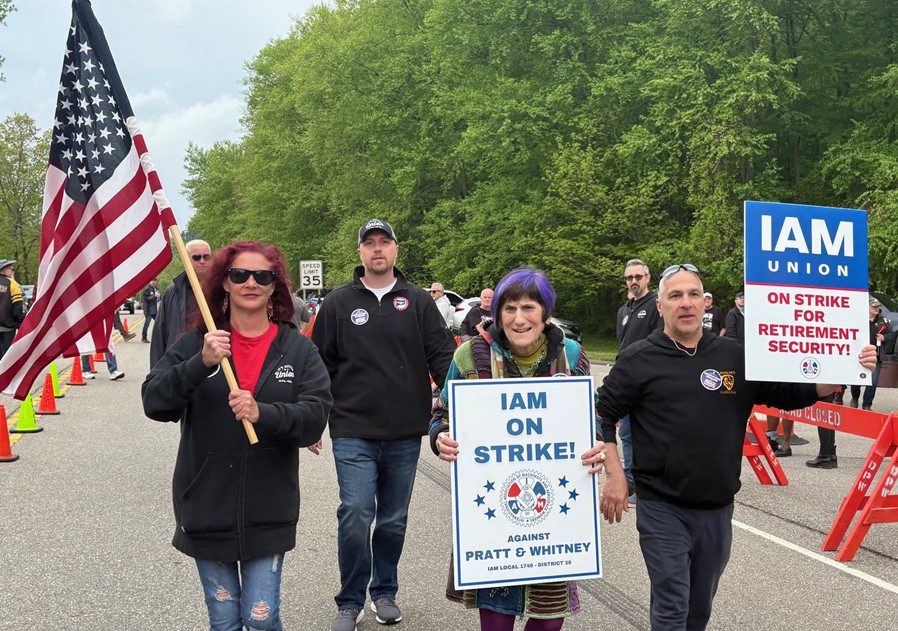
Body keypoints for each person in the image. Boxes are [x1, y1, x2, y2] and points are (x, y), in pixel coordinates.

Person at [583, 264, 877, 630]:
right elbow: (603, 412)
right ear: (660, 306)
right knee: (673, 601)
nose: (686, 303)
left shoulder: (734, 355)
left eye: (693, 295)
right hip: (661, 504)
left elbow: (788, 394)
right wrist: (614, 475)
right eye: (675, 296)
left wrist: (849, 370)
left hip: (717, 508)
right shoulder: (640, 357)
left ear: (706, 304)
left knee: (698, 608)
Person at [142, 241, 333, 631]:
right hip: (206, 505)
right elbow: (155, 402)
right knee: (225, 621)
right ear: (223, 283)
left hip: (270, 508)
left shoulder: (297, 348)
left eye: (262, 276)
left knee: (260, 621)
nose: (251, 282)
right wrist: (200, 364)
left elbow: (314, 417)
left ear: (274, 286)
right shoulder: (198, 343)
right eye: (239, 274)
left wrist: (263, 413)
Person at [430, 267, 596, 631]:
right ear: (497, 313)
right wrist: (440, 436)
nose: (519, 318)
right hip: (493, 522)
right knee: (496, 621)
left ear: (545, 312)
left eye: (529, 308)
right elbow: (441, 412)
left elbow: (589, 419)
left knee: (549, 621)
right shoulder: (469, 357)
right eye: (509, 309)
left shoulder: (571, 355)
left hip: (555, 518)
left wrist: (595, 448)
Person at [310, 218, 456, 631]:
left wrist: (464, 409)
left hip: (405, 432)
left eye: (384, 243)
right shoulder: (338, 303)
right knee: (355, 512)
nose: (377, 249)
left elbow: (444, 361)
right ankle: (349, 601)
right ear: (360, 252)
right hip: (352, 428)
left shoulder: (419, 301)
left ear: (395, 250)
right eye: (369, 243)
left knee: (393, 518)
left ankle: (385, 591)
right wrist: (312, 420)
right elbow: (319, 366)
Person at [615, 258, 662, 505]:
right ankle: (630, 483)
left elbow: (660, 343)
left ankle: (646, 484)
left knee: (647, 434)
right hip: (625, 382)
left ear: (647, 278)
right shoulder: (624, 310)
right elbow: (621, 345)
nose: (633, 281)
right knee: (626, 434)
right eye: (629, 277)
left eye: (637, 277)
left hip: (647, 382)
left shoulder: (656, 305)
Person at [150, 240, 212, 366]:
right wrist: (157, 374)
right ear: (186, 260)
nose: (202, 261)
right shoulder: (172, 293)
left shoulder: (223, 290)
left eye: (206, 257)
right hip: (180, 364)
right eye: (196, 257)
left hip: (213, 366)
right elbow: (159, 335)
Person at [849, 297, 886, 410]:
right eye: (874, 307)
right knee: (857, 380)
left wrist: (884, 337)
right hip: (861, 354)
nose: (876, 309)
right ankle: (855, 398)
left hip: (876, 355)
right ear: (867, 308)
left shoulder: (882, 321)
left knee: (873, 382)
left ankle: (867, 404)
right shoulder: (860, 320)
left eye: (877, 307)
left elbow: (891, 334)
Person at [0, 259, 25, 359]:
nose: (12, 271)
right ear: (5, 270)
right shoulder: (12, 284)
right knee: (7, 356)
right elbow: (17, 308)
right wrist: (21, 322)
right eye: (12, 269)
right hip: (8, 326)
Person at [141, 277, 161, 343]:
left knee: (160, 323)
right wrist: (154, 296)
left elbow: (159, 298)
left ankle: (160, 338)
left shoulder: (157, 289)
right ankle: (144, 338)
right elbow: (146, 299)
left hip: (155, 310)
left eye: (155, 280)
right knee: (147, 324)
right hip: (149, 310)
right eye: (152, 280)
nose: (153, 282)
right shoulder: (147, 289)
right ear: (149, 281)